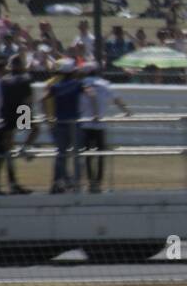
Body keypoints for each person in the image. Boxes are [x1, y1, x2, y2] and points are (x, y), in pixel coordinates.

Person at [79, 61, 129, 193]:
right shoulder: (105, 84)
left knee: (87, 156)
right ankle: (99, 183)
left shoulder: (81, 83)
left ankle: (91, 182)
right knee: (101, 155)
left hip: (85, 124)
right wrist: (126, 111)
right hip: (101, 123)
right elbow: (117, 99)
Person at [0, 55, 34, 195]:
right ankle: (25, 148)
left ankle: (5, 183)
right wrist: (26, 119)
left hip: (6, 116)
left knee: (5, 152)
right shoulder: (26, 79)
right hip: (21, 112)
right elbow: (28, 100)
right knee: (35, 129)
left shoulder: (3, 81)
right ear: (21, 65)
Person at [45, 57, 87, 193]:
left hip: (55, 121)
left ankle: (57, 183)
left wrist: (48, 117)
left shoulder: (50, 83)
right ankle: (71, 182)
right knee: (75, 154)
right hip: (70, 121)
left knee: (60, 154)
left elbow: (43, 101)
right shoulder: (75, 83)